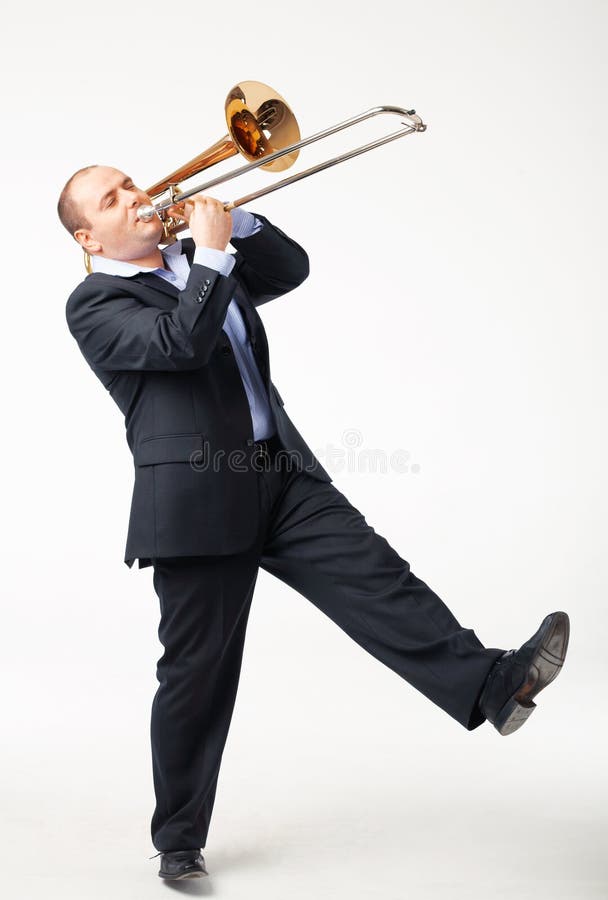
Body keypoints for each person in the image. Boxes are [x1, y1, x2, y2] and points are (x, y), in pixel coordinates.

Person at [59, 164, 570, 882]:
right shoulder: (95, 301)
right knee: (197, 678)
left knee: (378, 579)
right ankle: (178, 840)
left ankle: (493, 684)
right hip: (199, 498)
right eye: (112, 199)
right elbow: (182, 343)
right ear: (88, 236)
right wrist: (209, 256)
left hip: (280, 473)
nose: (137, 196)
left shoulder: (200, 262)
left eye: (131, 183)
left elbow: (290, 270)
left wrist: (239, 228)